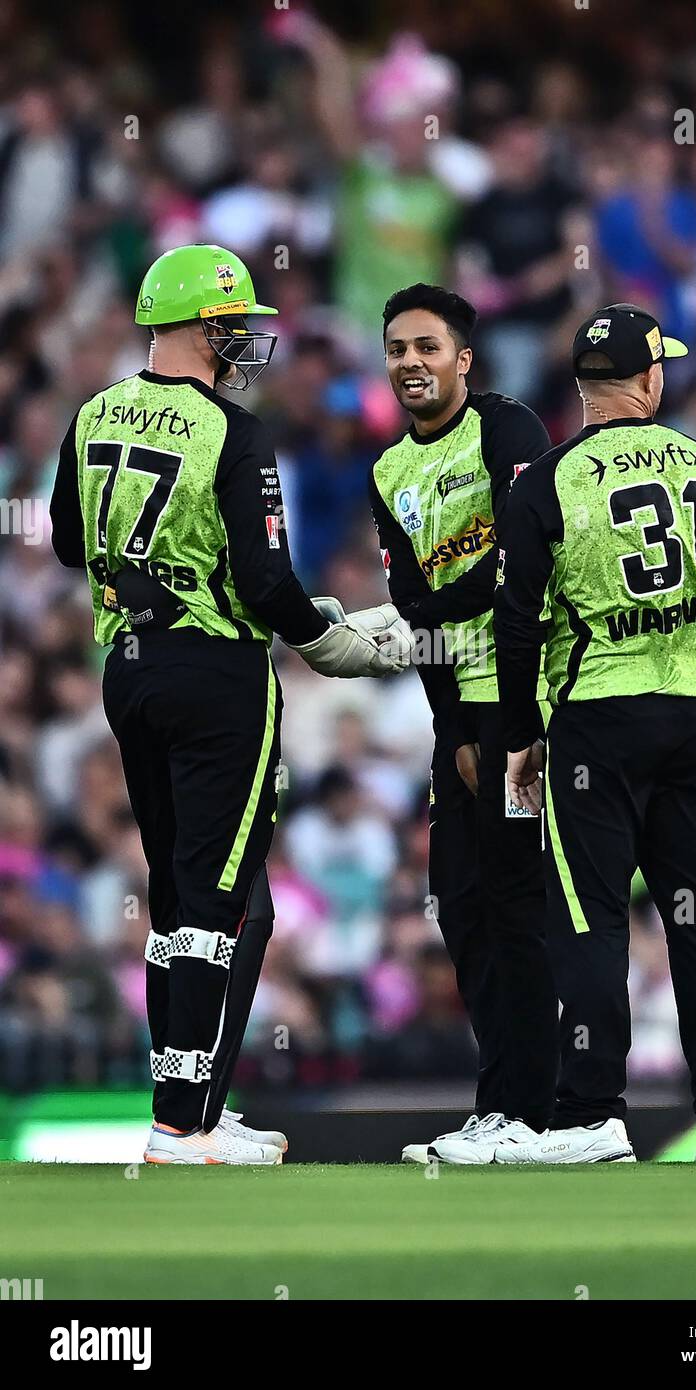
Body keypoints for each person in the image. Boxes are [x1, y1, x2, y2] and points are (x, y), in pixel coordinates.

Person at [49, 244, 410, 1165]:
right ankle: (181, 1123)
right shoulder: (234, 432)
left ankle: (195, 1111)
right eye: (234, 324)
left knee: (177, 893)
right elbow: (264, 580)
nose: (244, 341)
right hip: (216, 673)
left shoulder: (93, 413)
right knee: (216, 896)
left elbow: (62, 540)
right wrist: (333, 643)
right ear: (200, 325)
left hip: (126, 668)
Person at [493, 302, 696, 1164]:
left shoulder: (544, 480)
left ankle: (592, 1115)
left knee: (590, 922)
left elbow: (516, 622)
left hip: (594, 725)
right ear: (651, 379)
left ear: (584, 387)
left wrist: (519, 737)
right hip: (694, 721)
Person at [369, 283, 559, 1163]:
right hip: (462, 717)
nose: (411, 363)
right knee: (463, 907)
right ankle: (504, 1106)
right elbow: (417, 610)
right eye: (399, 349)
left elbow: (523, 569)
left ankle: (541, 1109)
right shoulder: (385, 474)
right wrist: (456, 734)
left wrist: (499, 729)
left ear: (463, 359)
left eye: (427, 348)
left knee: (520, 904)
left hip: (526, 708)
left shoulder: (509, 431)